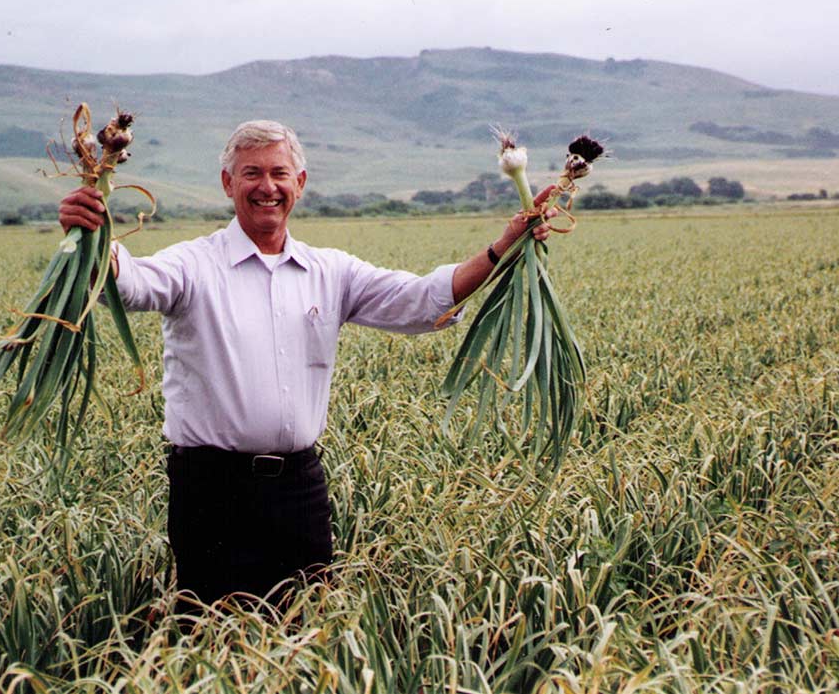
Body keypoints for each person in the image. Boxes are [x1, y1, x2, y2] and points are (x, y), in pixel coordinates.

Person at [58, 119, 558, 607]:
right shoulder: (193, 264)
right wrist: (95, 238)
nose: (266, 187)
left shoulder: (330, 271)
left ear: (299, 183)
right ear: (228, 184)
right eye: (251, 173)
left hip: (300, 489)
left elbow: (421, 300)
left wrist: (505, 244)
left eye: (279, 173)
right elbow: (134, 285)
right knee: (211, 641)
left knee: (308, 636)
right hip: (212, 491)